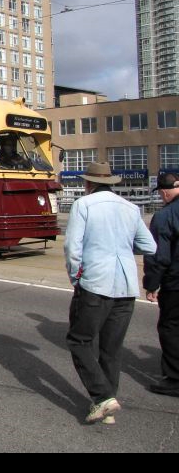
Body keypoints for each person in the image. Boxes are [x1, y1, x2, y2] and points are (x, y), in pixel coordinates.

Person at [64, 161, 156, 423]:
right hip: (126, 286)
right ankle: (106, 405)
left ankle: (103, 397)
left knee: (79, 340)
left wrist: (75, 275)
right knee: (111, 348)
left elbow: (72, 247)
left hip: (96, 282)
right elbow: (149, 246)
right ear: (112, 182)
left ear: (88, 183)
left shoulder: (83, 205)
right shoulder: (130, 207)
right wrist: (122, 249)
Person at [143, 172, 179, 397]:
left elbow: (159, 256)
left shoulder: (165, 216)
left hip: (176, 284)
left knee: (171, 327)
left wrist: (151, 285)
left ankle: (175, 378)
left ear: (164, 193)